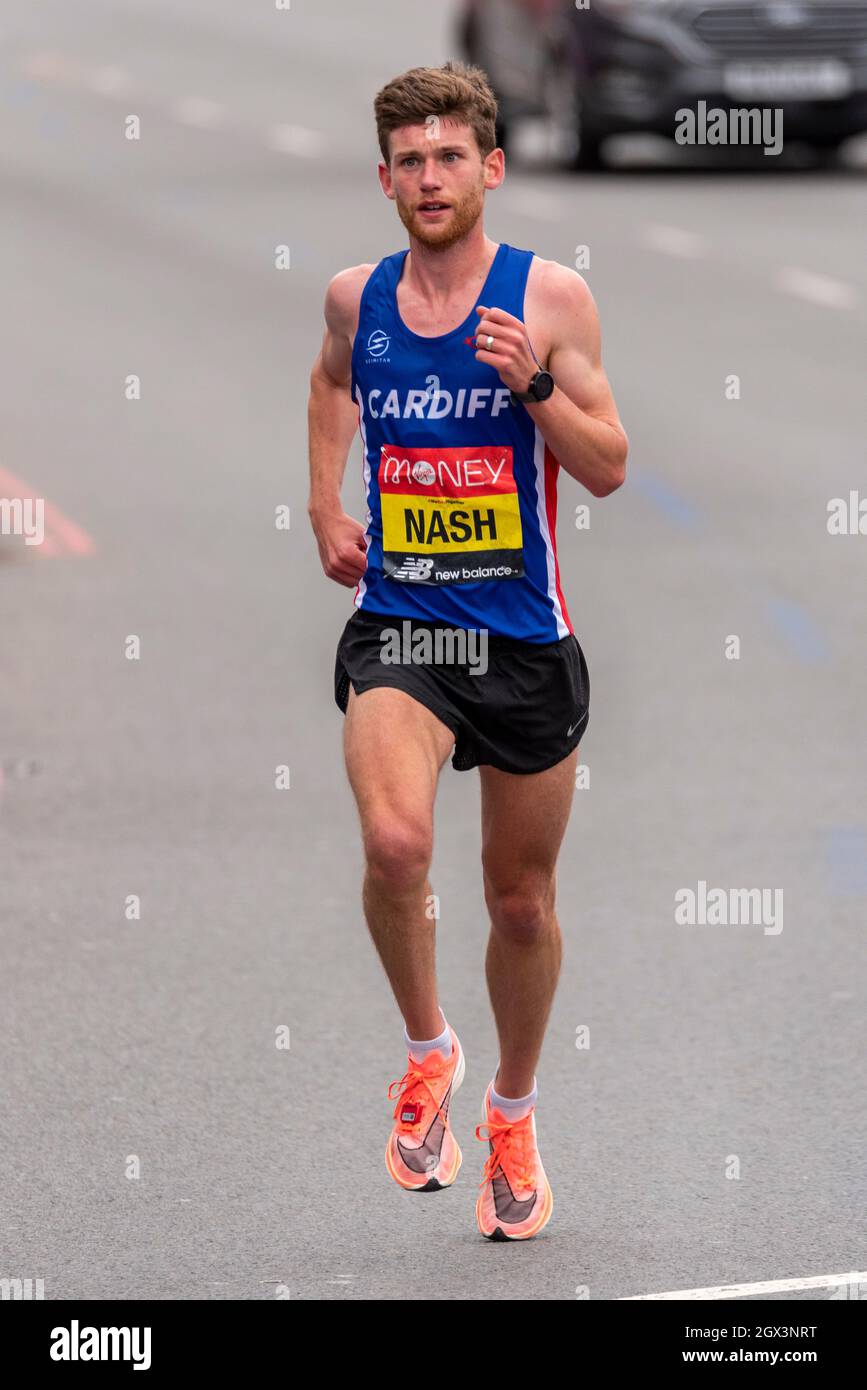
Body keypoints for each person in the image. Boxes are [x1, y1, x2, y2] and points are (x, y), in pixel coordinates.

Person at [307, 60, 627, 1240]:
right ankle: (428, 1048)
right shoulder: (358, 296)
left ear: (489, 168)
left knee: (521, 902)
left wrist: (532, 385)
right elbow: (331, 381)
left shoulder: (549, 299)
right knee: (396, 841)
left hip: (526, 641)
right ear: (383, 175)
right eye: (409, 160)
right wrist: (324, 504)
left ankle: (512, 1110)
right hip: (405, 623)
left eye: (450, 158)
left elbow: (606, 463)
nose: (429, 178)